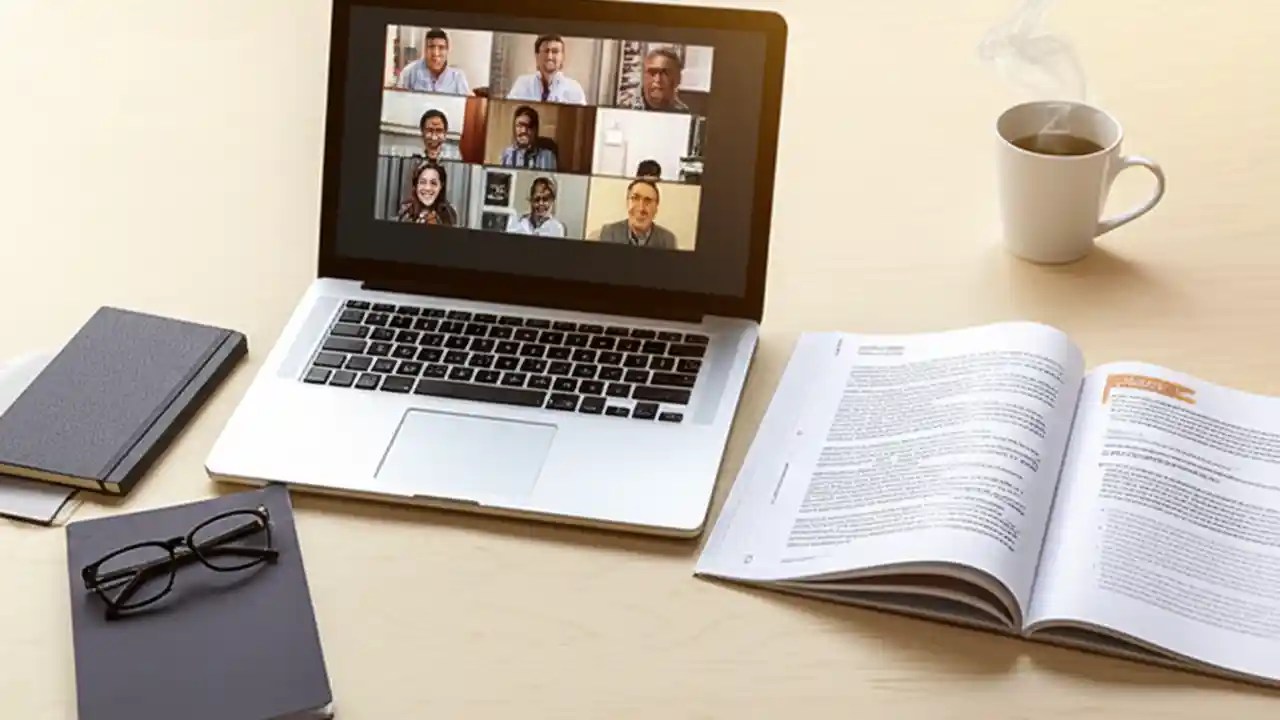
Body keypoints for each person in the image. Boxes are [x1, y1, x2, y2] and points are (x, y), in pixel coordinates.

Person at [595, 179, 677, 249]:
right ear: (627, 203)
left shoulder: (668, 240)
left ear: (656, 208)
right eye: (635, 198)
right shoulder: (607, 234)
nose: (641, 208)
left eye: (648, 200)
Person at [506, 34, 586, 104]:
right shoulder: (522, 84)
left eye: (555, 51)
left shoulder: (574, 89)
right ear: (537, 56)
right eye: (546, 51)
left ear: (562, 57)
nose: (549, 57)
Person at [396, 28, 471, 95]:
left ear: (447, 50)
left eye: (441, 48)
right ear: (425, 49)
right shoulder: (409, 72)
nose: (436, 53)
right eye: (431, 47)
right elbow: (398, 101)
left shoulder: (457, 77)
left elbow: (468, 103)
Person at [397, 161, 459, 225]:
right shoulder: (405, 211)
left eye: (433, 183)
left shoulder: (450, 213)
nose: (427, 188)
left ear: (441, 186)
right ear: (416, 185)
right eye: (422, 182)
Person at [628, 47, 689, 112]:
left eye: (665, 73)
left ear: (678, 79)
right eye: (652, 72)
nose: (658, 79)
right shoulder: (626, 109)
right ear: (643, 76)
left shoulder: (682, 113)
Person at [499, 106, 557, 170]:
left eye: (529, 126)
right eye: (519, 126)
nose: (524, 130)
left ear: (535, 129)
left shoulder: (548, 157)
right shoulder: (507, 154)